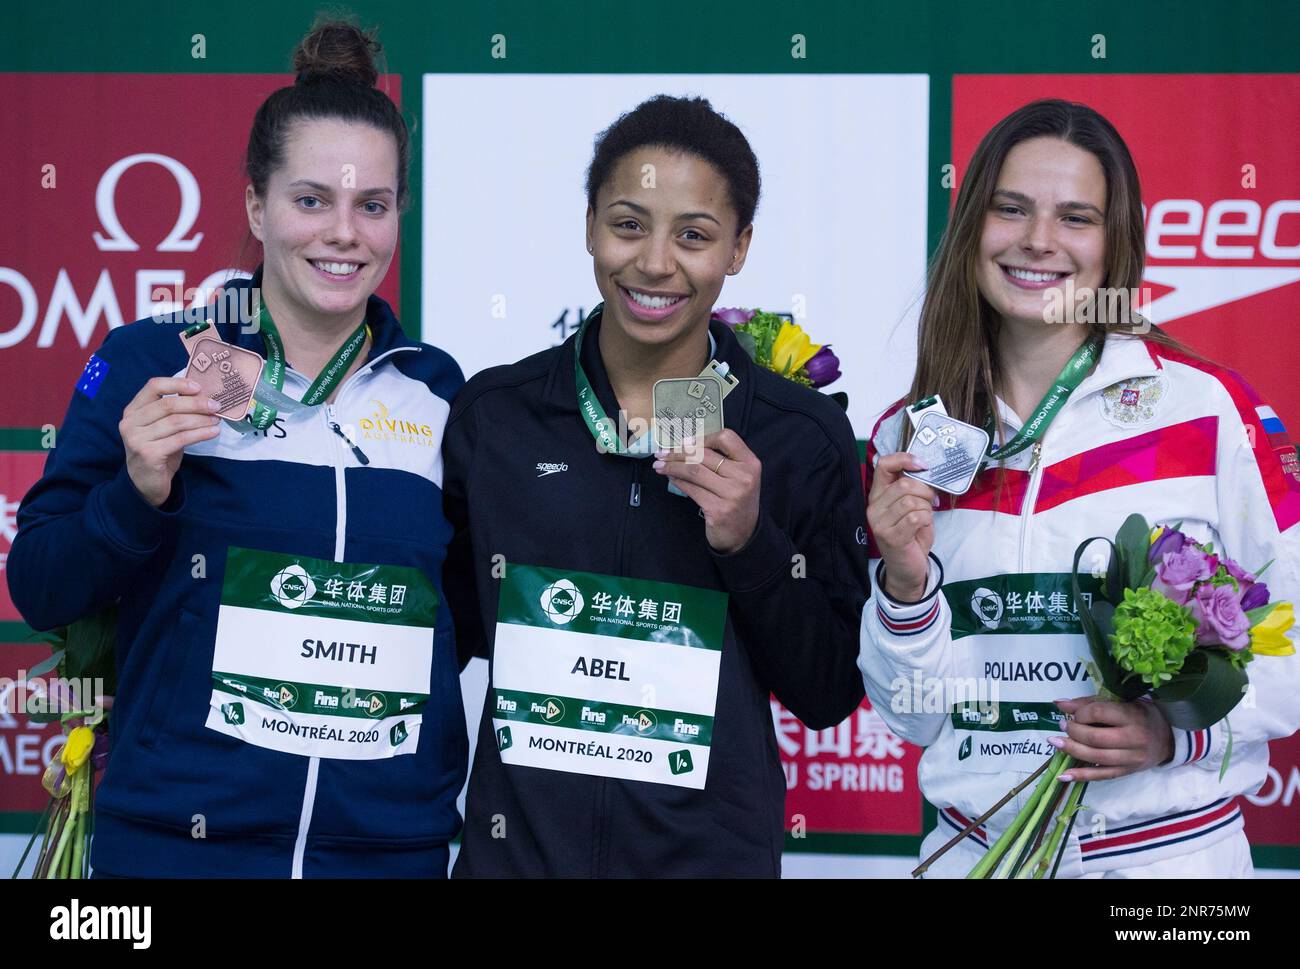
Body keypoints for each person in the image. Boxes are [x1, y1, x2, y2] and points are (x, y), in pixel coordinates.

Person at [7, 20, 467, 878]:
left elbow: (468, 608)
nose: (343, 234)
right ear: (257, 205)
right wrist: (133, 496)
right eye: (309, 200)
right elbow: (39, 583)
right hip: (175, 851)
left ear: (398, 214)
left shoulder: (436, 391)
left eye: (371, 205)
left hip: (383, 855)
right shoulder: (154, 360)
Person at [859, 98, 1300, 878]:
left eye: (1075, 217)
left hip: (1166, 869)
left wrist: (1177, 731)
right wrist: (903, 582)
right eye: (1012, 209)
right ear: (973, 228)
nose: (1038, 241)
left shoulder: (1211, 410)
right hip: (977, 856)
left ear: (1114, 242)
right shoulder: (910, 437)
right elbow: (916, 713)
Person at [443, 95, 870, 877]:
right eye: (629, 224)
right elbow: (441, 637)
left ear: (739, 248)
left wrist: (751, 544)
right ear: (589, 225)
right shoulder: (497, 416)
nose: (655, 263)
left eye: (695, 236)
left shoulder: (798, 436)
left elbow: (829, 691)